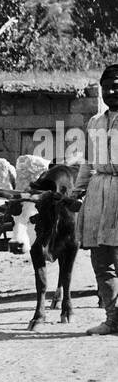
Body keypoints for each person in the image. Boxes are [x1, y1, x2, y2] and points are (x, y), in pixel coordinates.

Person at [76, 64, 118, 335]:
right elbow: (89, 163)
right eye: (106, 86)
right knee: (101, 260)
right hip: (98, 193)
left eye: (117, 85)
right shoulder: (95, 123)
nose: (112, 90)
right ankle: (113, 319)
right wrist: (77, 192)